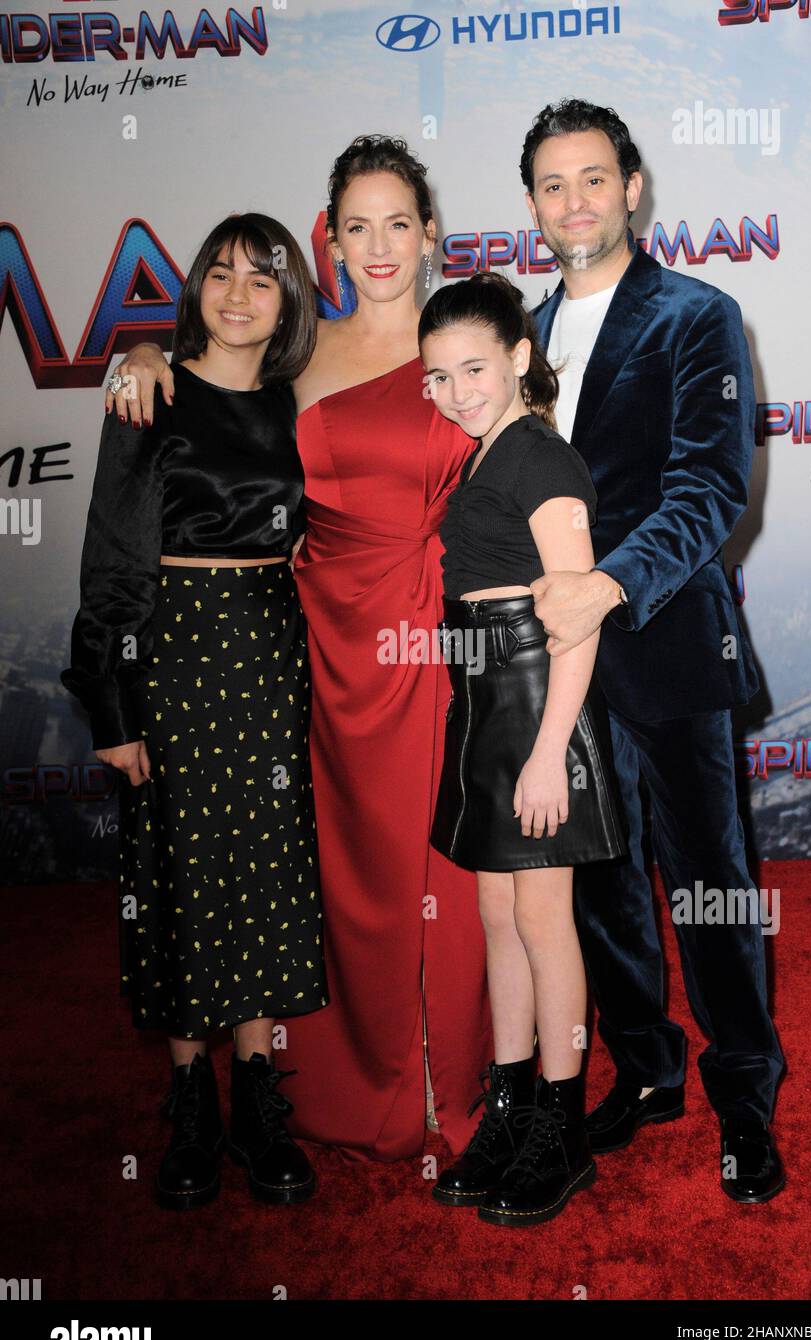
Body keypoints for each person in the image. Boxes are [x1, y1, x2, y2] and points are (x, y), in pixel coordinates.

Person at [100, 138, 494, 1163]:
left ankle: (451, 1079)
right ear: (328, 241)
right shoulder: (299, 362)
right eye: (353, 225)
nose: (376, 244)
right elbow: (204, 399)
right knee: (307, 870)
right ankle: (304, 1081)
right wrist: (141, 353)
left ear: (427, 232)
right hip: (322, 652)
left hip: (445, 647)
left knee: (452, 873)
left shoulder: (470, 341)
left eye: (395, 222)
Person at [522, 98, 785, 1202]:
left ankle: (743, 1093)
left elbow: (707, 487)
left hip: (668, 644)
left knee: (710, 886)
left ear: (631, 188)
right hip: (558, 676)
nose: (573, 200)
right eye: (550, 184)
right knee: (599, 888)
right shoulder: (517, 337)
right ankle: (644, 1067)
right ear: (530, 206)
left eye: (593, 177)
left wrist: (607, 584)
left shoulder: (695, 315)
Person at [61, 213, 328, 1209]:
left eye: (262, 280)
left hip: (266, 649)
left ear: (288, 302)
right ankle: (190, 1096)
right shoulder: (148, 391)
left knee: (257, 862)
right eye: (219, 274)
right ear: (194, 291)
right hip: (168, 647)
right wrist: (112, 704)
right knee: (174, 866)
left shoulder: (294, 403)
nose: (236, 294)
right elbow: (109, 554)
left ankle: (257, 1092)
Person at [418, 272, 628, 1226]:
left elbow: (574, 616)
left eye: (474, 368)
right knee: (500, 917)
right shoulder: (485, 450)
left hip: (537, 698)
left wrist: (552, 753)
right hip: (483, 697)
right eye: (437, 377)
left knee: (545, 922)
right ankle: (506, 1110)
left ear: (516, 358)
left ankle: (560, 1127)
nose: (458, 391)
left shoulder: (539, 456)